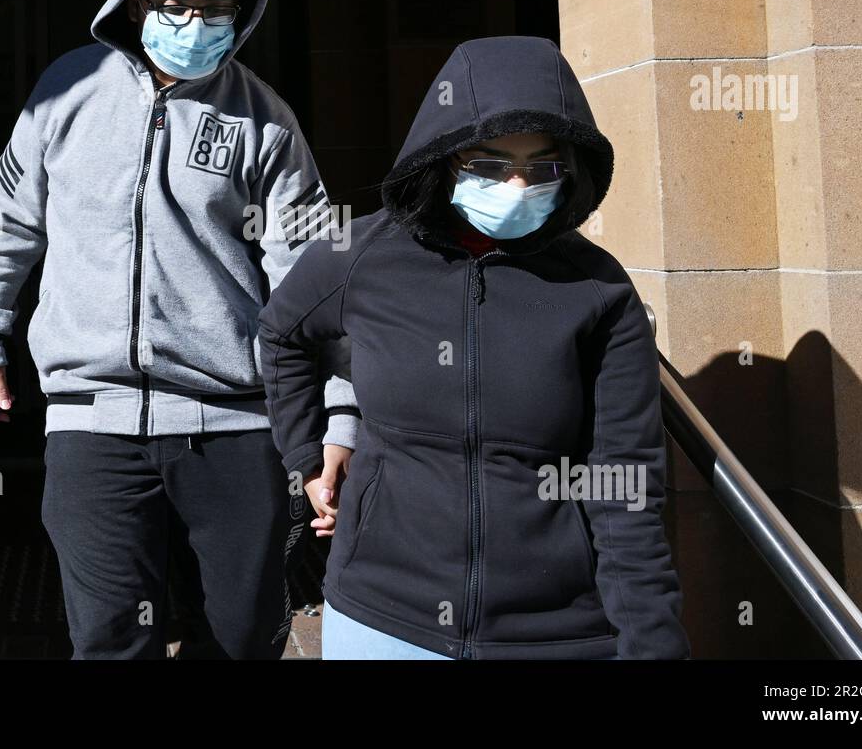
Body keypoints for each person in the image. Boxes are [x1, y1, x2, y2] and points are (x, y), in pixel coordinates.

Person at [0, 0, 359, 659]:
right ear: (137, 2)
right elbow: (7, 216)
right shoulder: (64, 93)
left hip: (237, 423)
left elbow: (317, 282)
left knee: (244, 637)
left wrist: (337, 415)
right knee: (111, 637)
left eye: (220, 7)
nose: (199, 22)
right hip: (91, 418)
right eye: (178, 3)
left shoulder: (265, 120)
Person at [258, 35, 691, 659]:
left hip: (553, 634)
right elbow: (281, 335)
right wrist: (307, 454)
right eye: (490, 164)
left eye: (541, 166)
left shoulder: (598, 290)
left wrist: (654, 645)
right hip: (382, 618)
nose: (517, 185)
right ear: (444, 158)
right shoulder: (364, 258)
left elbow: (625, 487)